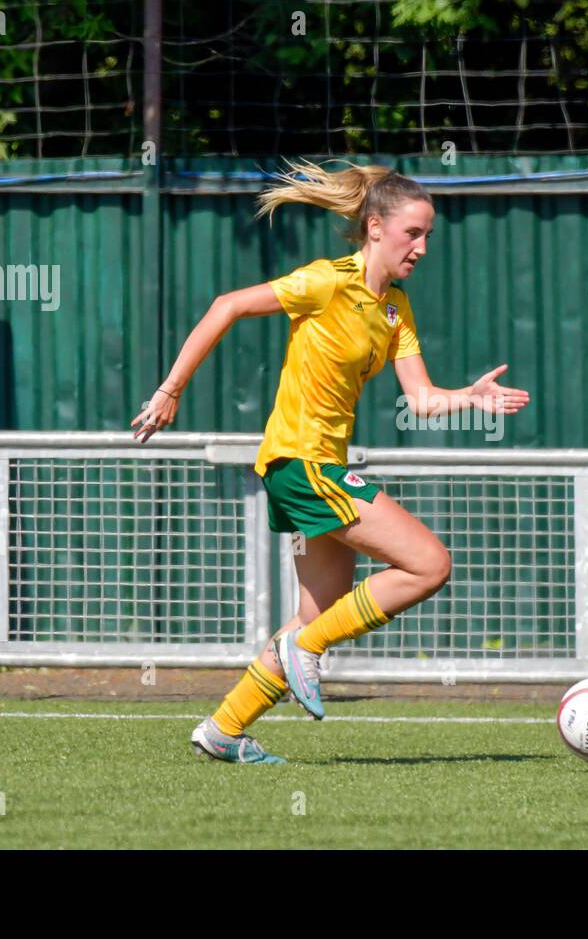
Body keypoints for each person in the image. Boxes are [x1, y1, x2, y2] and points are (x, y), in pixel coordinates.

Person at [131, 159, 530, 763]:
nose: (421, 248)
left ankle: (224, 729)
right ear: (374, 227)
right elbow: (226, 305)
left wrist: (469, 397)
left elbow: (421, 400)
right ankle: (305, 653)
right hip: (302, 462)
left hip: (319, 466)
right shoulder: (324, 281)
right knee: (429, 564)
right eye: (411, 234)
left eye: (427, 236)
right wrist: (170, 391)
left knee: (314, 617)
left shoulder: (395, 308)